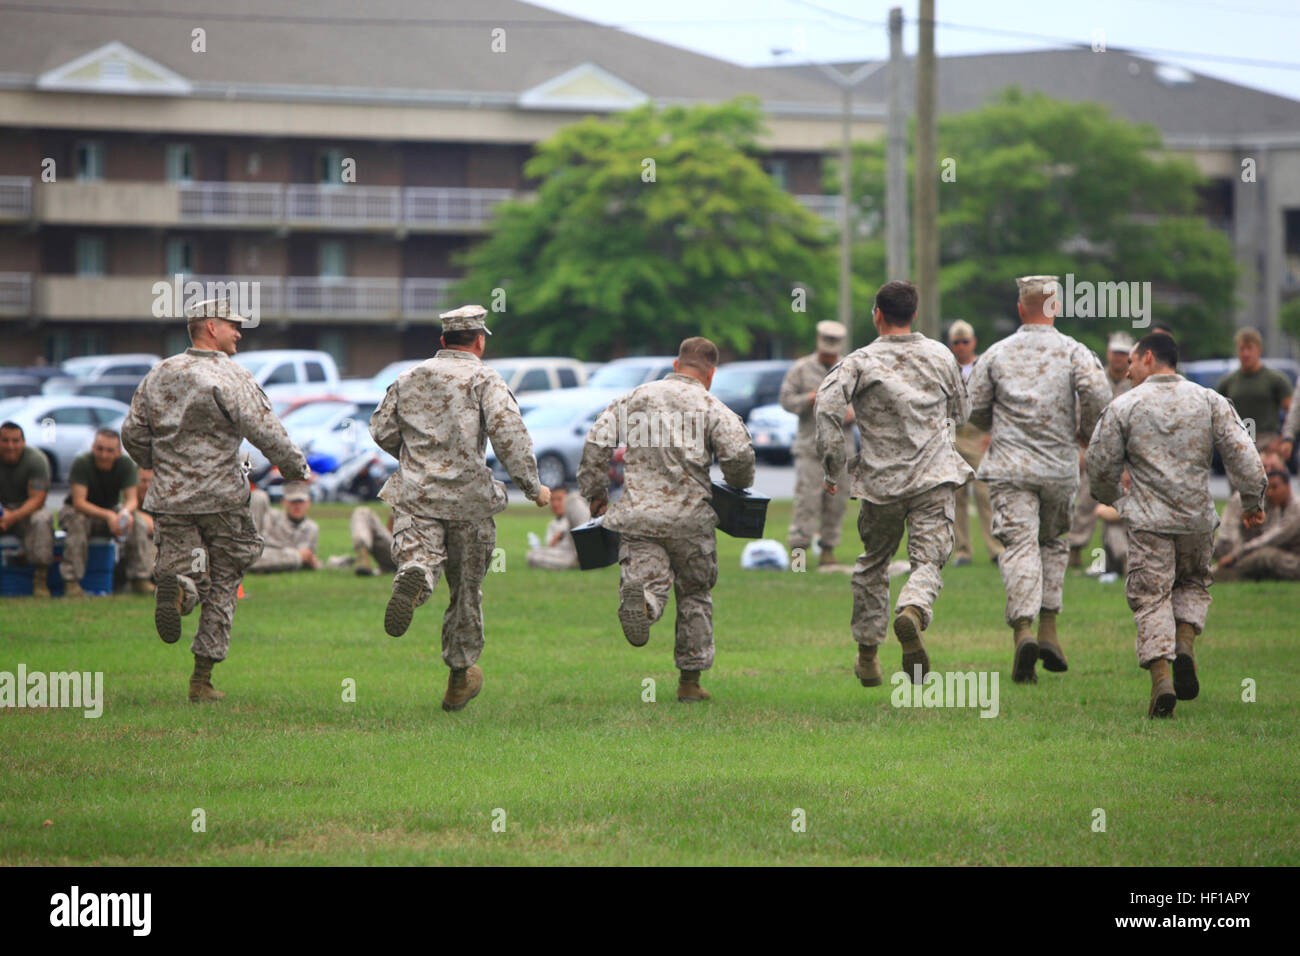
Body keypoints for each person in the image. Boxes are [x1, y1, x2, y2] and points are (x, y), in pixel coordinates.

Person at [122, 297, 309, 703]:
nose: (238, 333)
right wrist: (295, 468)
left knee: (186, 569)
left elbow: (131, 434)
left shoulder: (159, 374)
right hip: (222, 496)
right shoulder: (230, 374)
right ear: (210, 328)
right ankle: (201, 679)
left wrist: (163, 465)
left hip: (169, 499)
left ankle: (180, 590)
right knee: (225, 579)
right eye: (232, 326)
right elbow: (264, 430)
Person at [369, 304, 549, 712]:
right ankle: (458, 679)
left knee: (421, 558)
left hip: (416, 495)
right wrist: (533, 487)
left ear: (442, 341)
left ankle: (415, 574)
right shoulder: (485, 378)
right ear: (480, 341)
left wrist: (417, 454)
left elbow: (380, 429)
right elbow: (509, 436)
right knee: (466, 592)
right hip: (469, 500)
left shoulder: (408, 377)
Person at [1086, 333, 1266, 717]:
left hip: (1149, 522)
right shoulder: (1209, 399)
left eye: (1132, 360)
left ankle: (1161, 679)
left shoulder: (1124, 406)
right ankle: (1184, 642)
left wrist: (1116, 500)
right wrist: (1252, 502)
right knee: (1192, 584)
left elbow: (1099, 465)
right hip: (1198, 520)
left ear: (1149, 357)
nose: (1128, 368)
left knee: (1150, 597)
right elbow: (1245, 456)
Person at [578, 336, 755, 703]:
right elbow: (739, 456)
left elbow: (597, 439)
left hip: (639, 517)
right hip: (692, 520)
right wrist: (738, 486)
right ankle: (690, 683)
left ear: (676, 366)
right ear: (711, 375)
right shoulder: (711, 405)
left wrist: (595, 493)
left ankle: (643, 604)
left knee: (650, 583)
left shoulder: (637, 397)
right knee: (694, 593)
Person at [818, 281, 972, 686]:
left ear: (877, 315)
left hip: (881, 483)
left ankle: (868, 656)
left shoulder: (859, 361)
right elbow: (964, 410)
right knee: (929, 560)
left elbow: (827, 407)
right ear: (914, 314)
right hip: (934, 478)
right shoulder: (941, 355)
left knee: (873, 562)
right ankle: (913, 609)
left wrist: (833, 467)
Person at [967, 275, 1112, 683]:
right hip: (1059, 468)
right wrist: (1083, 434)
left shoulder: (996, 353)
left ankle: (1023, 631)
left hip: (1010, 468)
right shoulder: (1074, 352)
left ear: (1020, 308)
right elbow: (1099, 395)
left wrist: (991, 420)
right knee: (1052, 543)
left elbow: (973, 408)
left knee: (1017, 546)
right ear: (1056, 308)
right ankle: (1049, 629)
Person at [779, 320, 853, 570]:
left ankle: (828, 551)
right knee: (806, 502)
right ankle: (799, 555)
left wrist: (852, 413)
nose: (829, 353)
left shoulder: (849, 368)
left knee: (837, 503)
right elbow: (786, 400)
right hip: (810, 448)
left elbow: (865, 403)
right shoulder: (801, 369)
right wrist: (807, 399)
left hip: (841, 449)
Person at [58, 428, 152, 596]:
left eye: (109, 450)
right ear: (93, 448)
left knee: (136, 521)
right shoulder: (82, 463)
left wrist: (124, 514)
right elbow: (79, 503)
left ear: (118, 453)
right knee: (78, 521)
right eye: (99, 449)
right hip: (77, 511)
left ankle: (140, 579)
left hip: (110, 511)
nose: (103, 455)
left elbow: (131, 500)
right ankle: (71, 582)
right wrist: (109, 515)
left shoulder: (125, 465)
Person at [1069, 332, 1134, 568]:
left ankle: (1124, 553)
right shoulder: (1096, 380)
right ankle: (1075, 548)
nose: (1119, 358)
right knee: (1085, 501)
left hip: (1127, 456)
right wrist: (1080, 449)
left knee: (1125, 504)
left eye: (1124, 353)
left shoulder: (1137, 382)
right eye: (1115, 352)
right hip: (1096, 451)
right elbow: (1080, 414)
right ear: (1108, 353)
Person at [946, 319, 1002, 566]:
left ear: (973, 342)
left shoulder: (984, 367)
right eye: (956, 343)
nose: (961, 347)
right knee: (956, 495)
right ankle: (963, 550)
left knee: (985, 493)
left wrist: (994, 432)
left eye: (965, 342)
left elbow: (997, 401)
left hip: (980, 435)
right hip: (955, 434)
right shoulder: (947, 369)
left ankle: (995, 548)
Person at [1214, 454, 1300, 582]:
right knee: (1214, 545)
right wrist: (1236, 551)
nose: (1270, 492)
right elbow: (1228, 530)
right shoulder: (1244, 497)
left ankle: (1222, 574)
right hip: (1239, 546)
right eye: (1264, 467)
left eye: (1275, 487)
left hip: (1281, 554)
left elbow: (1272, 538)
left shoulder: (1294, 508)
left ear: (1287, 485)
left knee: (1264, 556)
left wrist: (1235, 556)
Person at [1215, 327, 1292, 455]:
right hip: (1238, 441)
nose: (1246, 353)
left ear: (1259, 350)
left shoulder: (1275, 379)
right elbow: (1218, 415)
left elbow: (1292, 411)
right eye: (1242, 349)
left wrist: (1282, 439)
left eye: (1250, 348)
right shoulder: (1227, 382)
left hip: (1267, 443)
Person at [0, 421, 54, 597]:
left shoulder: (36, 460)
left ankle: (40, 579)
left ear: (23, 442)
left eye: (15, 441)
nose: (10, 446)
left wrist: (12, 517)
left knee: (42, 519)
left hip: (25, 510)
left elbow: (38, 498)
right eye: (5, 440)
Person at [248, 480, 320, 572]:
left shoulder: (312, 528)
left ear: (308, 503)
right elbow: (256, 550)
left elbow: (309, 557)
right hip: (262, 554)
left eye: (300, 502)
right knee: (259, 496)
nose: (297, 506)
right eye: (293, 502)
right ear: (284, 502)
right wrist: (297, 556)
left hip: (270, 558)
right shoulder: (272, 517)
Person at [525, 486, 591, 570]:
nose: (555, 504)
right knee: (532, 555)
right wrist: (559, 536)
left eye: (559, 499)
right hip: (569, 555)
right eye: (552, 500)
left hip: (586, 546)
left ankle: (588, 554)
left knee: (573, 499)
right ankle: (579, 562)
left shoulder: (576, 511)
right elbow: (551, 547)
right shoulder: (552, 525)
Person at [350, 506, 395, 577]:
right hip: (401, 554)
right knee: (363, 512)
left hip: (407, 554)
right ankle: (362, 554)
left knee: (362, 512)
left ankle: (362, 553)